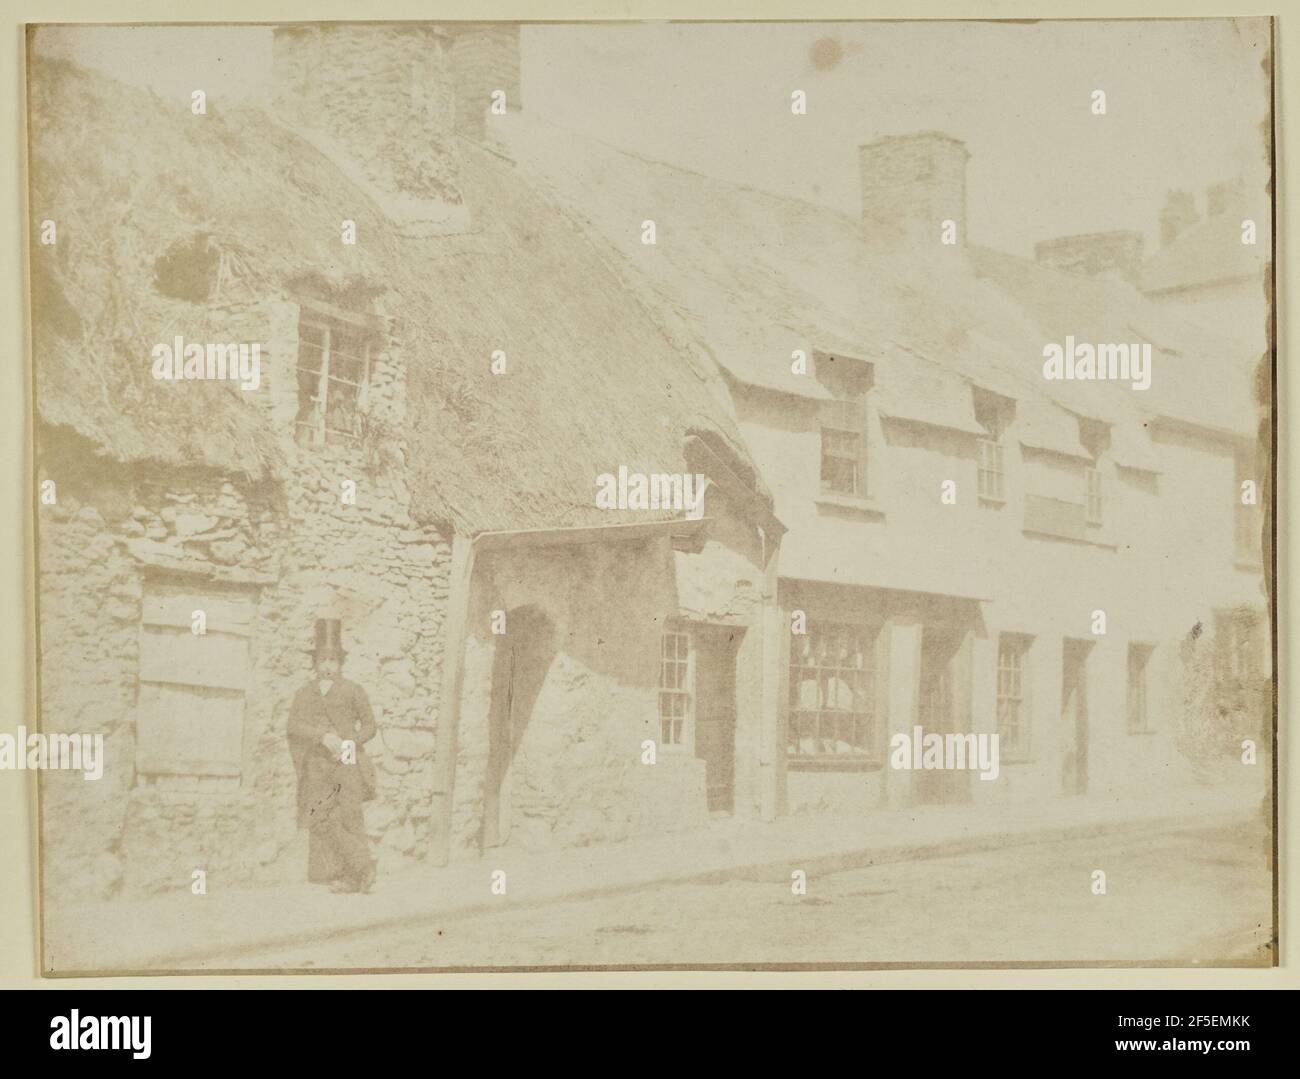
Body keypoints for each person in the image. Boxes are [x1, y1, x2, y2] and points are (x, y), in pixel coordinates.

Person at [287, 618, 378, 893]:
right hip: (317, 764)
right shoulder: (304, 693)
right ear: (315, 664)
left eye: (333, 660)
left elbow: (370, 725)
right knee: (320, 817)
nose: (327, 666)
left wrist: (351, 742)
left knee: (349, 816)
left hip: (347, 763)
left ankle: (356, 874)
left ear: (340, 664)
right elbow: (293, 725)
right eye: (323, 660)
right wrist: (321, 737)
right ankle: (345, 868)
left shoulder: (353, 690)